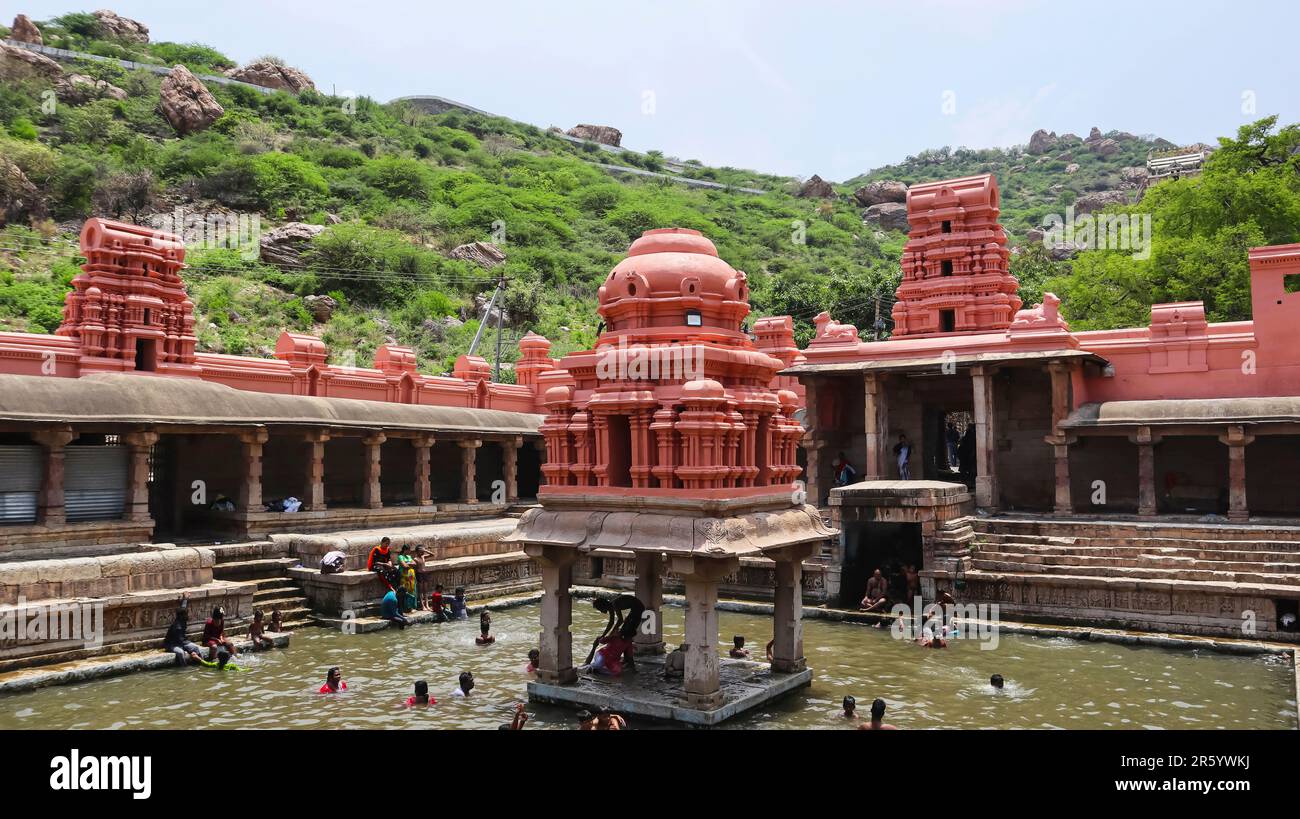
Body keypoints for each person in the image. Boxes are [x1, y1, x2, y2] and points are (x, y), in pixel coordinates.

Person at [162, 597, 204, 666]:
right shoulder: (177, 626)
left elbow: (183, 607)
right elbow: (180, 642)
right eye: (186, 614)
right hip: (171, 644)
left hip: (181, 642)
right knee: (181, 653)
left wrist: (185, 599)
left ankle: (201, 663)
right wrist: (190, 651)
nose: (188, 615)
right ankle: (184, 668)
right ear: (182, 616)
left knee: (196, 648)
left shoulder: (182, 620)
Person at [396, 545, 419, 613]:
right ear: (405, 550)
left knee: (412, 592)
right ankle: (405, 608)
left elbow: (415, 564)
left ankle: (411, 607)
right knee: (405, 592)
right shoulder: (400, 557)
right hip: (404, 577)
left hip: (411, 577)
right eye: (408, 550)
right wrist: (410, 564)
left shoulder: (409, 557)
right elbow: (404, 566)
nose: (409, 551)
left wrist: (408, 563)